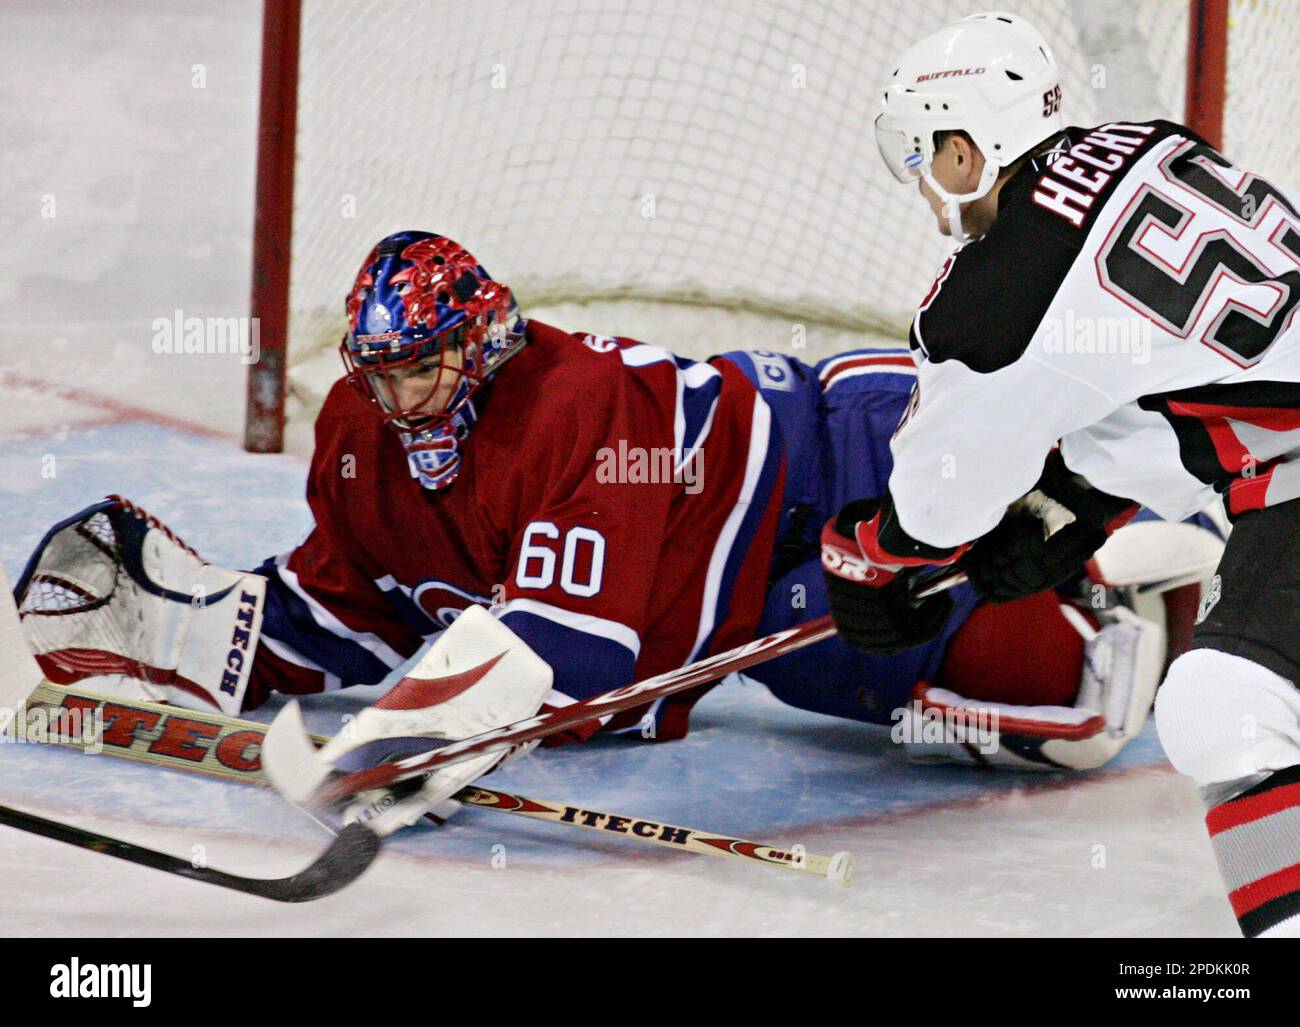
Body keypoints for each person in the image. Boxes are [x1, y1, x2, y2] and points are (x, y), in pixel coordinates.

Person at [820, 12, 1300, 937]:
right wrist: (1069, 503)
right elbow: (1186, 371)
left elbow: (937, 500)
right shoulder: (1144, 143)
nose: (919, 181)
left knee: (1227, 705)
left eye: (922, 152)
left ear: (967, 152)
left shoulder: (1000, 294)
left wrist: (871, 554)